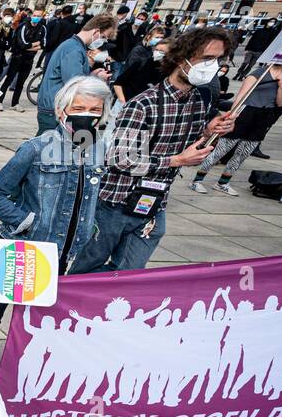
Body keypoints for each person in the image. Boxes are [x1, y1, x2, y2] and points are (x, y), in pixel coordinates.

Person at [70, 26, 238, 274]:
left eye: (217, 59)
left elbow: (190, 145)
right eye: (207, 58)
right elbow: (120, 159)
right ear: (182, 58)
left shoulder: (198, 101)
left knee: (130, 273)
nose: (212, 66)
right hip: (116, 203)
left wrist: (208, 131)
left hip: (154, 204)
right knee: (87, 268)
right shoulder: (143, 104)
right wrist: (176, 160)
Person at [0, 75, 112, 354]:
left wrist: (90, 227)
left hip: (60, 257)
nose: (87, 116)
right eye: (79, 108)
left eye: (95, 110)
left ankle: (18, 380)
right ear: (62, 110)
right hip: (20, 251)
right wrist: (28, 222)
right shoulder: (35, 148)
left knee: (37, 323)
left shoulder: (99, 150)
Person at [190, 61, 282, 195]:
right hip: (245, 112)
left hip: (264, 115)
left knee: (243, 152)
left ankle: (223, 182)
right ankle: (197, 180)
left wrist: (281, 84)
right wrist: (231, 117)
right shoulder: (259, 73)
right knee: (222, 149)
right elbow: (240, 97)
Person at [37, 13, 116, 134]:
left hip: (55, 106)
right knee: (45, 146)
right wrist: (96, 77)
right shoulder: (74, 49)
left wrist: (92, 73)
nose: (104, 40)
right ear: (96, 32)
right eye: (104, 37)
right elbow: (74, 83)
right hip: (54, 108)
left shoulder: (75, 46)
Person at [0, 10, 43, 111]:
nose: (36, 17)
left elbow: (43, 44)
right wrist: (35, 45)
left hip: (29, 59)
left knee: (21, 82)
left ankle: (15, 103)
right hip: (18, 57)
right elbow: (22, 44)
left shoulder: (42, 28)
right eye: (34, 15)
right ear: (31, 16)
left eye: (38, 16)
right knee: (8, 80)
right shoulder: (23, 26)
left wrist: (31, 47)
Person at [113, 26, 166, 105]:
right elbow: (133, 70)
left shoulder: (152, 51)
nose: (159, 39)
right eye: (157, 37)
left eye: (161, 37)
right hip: (127, 91)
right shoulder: (139, 49)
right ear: (149, 36)